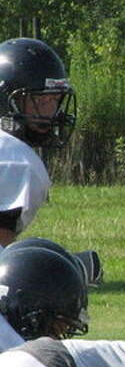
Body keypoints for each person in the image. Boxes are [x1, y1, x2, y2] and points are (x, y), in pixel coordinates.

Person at [0, 38, 75, 247]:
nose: (50, 112)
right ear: (6, 101)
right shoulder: (15, 159)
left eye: (54, 99)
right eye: (40, 100)